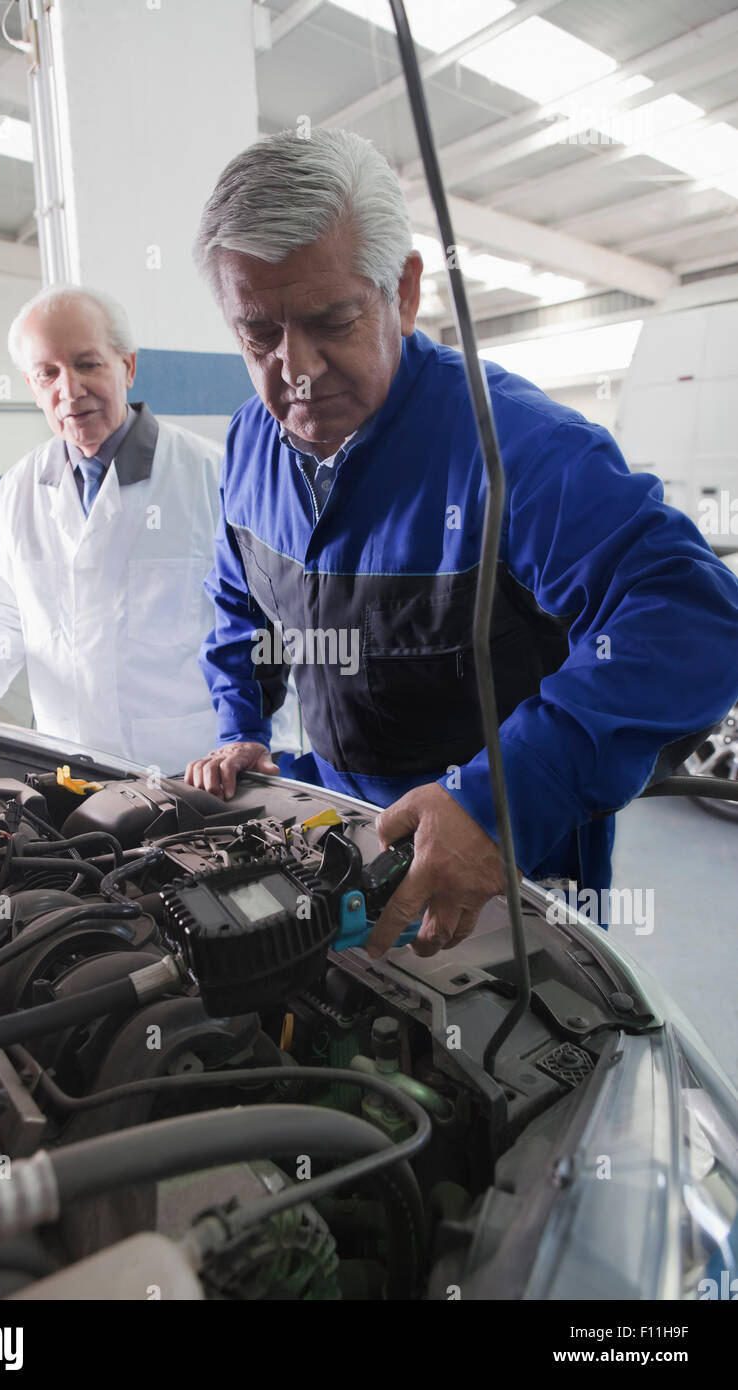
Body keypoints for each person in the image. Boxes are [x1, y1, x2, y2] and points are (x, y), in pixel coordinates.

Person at [184, 127, 738, 955]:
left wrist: (500, 802)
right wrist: (240, 722)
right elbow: (243, 602)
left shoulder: (517, 448)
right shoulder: (250, 445)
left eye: (332, 321)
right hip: (343, 833)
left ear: (404, 293)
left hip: (511, 872)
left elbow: (691, 619)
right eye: (258, 335)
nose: (293, 373)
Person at [0, 285, 227, 770]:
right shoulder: (21, 486)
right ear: (31, 384)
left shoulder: (210, 475)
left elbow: (255, 623)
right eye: (48, 373)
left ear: (128, 365)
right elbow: (2, 614)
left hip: (190, 769)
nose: (70, 389)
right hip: (67, 768)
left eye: (88, 363)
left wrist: (263, 741)